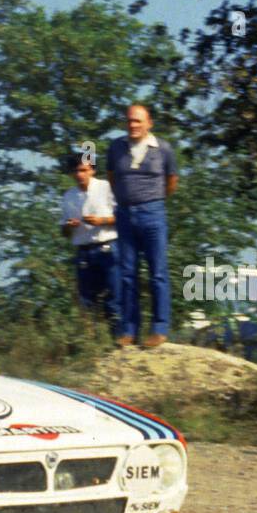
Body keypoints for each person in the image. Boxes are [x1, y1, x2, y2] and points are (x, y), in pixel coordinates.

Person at [106, 104, 178, 348]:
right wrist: (126, 201)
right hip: (125, 214)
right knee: (127, 274)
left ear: (149, 123)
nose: (133, 125)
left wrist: (152, 200)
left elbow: (172, 181)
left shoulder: (164, 149)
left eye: (138, 121)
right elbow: (112, 178)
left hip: (153, 213)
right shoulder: (116, 147)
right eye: (129, 121)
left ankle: (159, 328)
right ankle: (128, 331)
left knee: (157, 272)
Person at [60, 153, 120, 335]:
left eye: (84, 170)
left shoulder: (106, 188)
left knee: (114, 297)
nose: (80, 174)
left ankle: (121, 342)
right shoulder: (69, 196)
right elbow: (63, 231)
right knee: (87, 301)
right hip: (84, 251)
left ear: (92, 170)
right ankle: (92, 344)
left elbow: (124, 218)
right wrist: (69, 226)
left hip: (107, 247)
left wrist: (101, 221)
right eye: (76, 171)